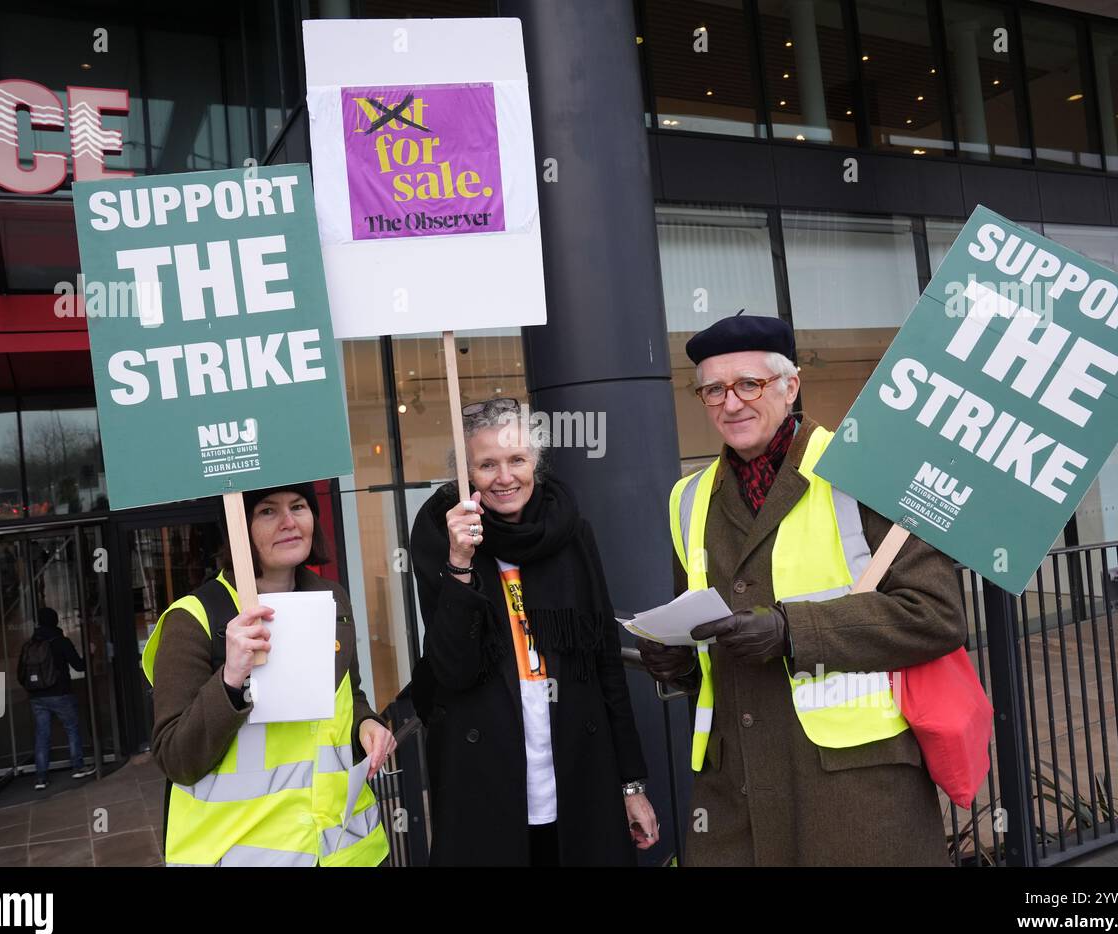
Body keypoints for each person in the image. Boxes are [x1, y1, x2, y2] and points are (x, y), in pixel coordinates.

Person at [638, 312, 967, 866]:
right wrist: (677, 661)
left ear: (791, 386)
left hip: (854, 789)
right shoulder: (686, 498)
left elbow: (936, 614)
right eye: (713, 390)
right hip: (734, 792)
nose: (731, 403)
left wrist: (791, 632)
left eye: (749, 384)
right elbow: (703, 633)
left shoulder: (865, 470)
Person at [410, 398, 658, 866]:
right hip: (487, 781)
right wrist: (459, 564)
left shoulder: (571, 530)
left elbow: (605, 659)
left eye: (517, 460)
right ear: (465, 475)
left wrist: (631, 785)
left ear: (535, 463)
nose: (505, 478)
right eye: (486, 465)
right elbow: (451, 667)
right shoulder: (439, 533)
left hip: (577, 772)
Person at [143, 482, 392, 867]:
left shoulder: (333, 599)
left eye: (298, 506)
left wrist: (367, 725)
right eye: (267, 511)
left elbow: (350, 695)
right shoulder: (192, 619)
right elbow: (177, 758)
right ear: (239, 528)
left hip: (349, 852)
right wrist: (230, 677)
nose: (289, 522)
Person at [19, 606, 92, 790]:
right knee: (72, 729)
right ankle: (78, 767)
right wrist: (91, 653)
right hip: (60, 694)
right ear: (55, 621)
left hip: (37, 697)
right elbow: (79, 666)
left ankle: (41, 778)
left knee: (42, 735)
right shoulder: (61, 642)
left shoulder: (29, 645)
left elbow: (21, 674)